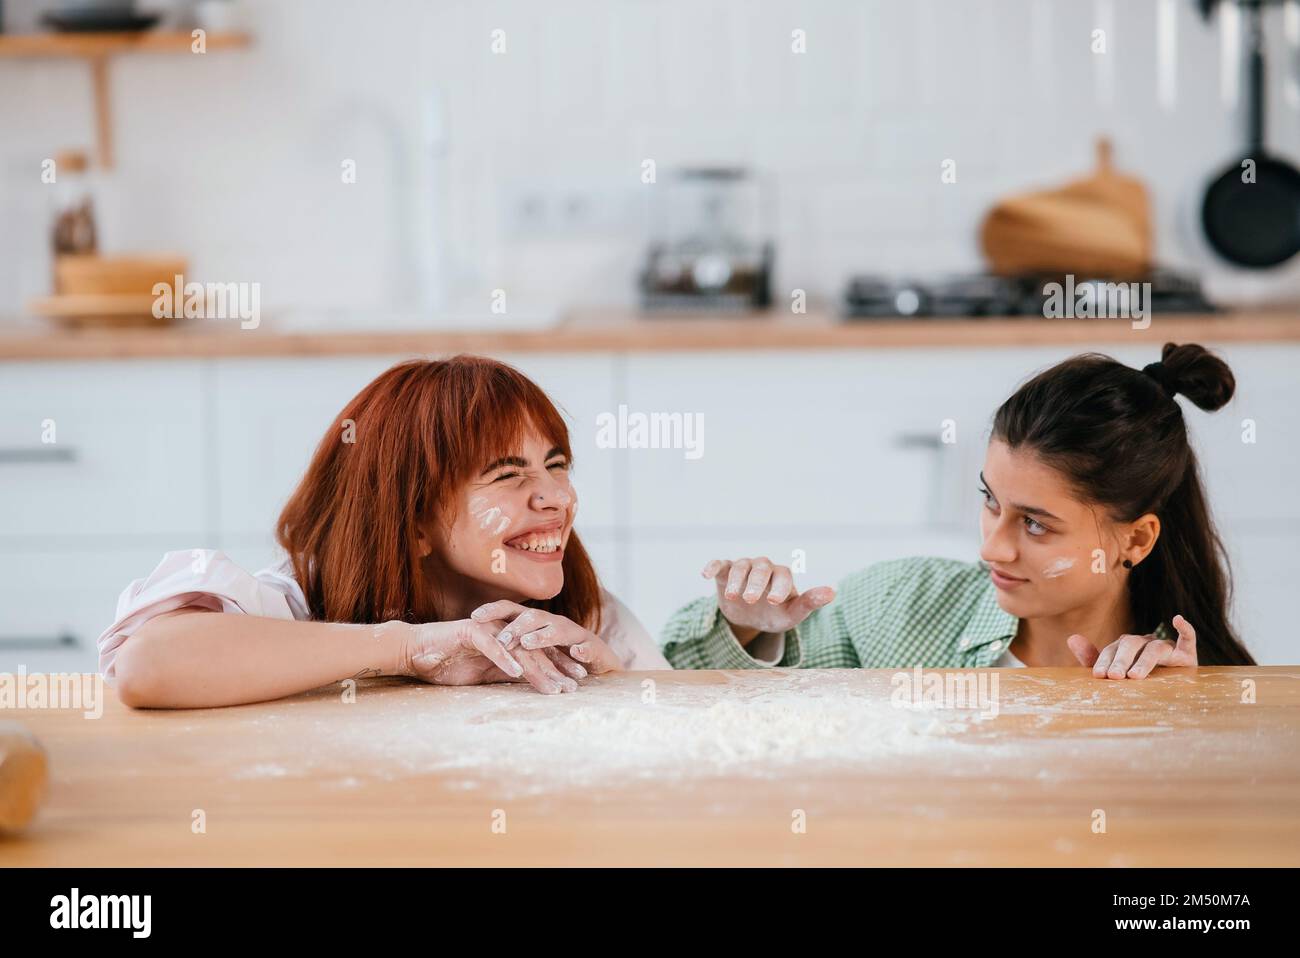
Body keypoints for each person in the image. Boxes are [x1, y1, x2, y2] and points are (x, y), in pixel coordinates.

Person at [99, 355, 669, 709]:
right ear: (413, 520)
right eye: (508, 475)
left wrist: (606, 682)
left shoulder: (588, 618)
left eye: (557, 465)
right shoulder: (296, 607)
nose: (557, 499)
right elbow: (148, 666)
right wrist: (411, 648)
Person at [661, 343, 1255, 678]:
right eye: (990, 502)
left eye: (1035, 523)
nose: (992, 548)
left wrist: (1187, 724)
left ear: (1137, 540)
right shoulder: (902, 610)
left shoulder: (1183, 679)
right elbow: (680, 675)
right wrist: (750, 628)